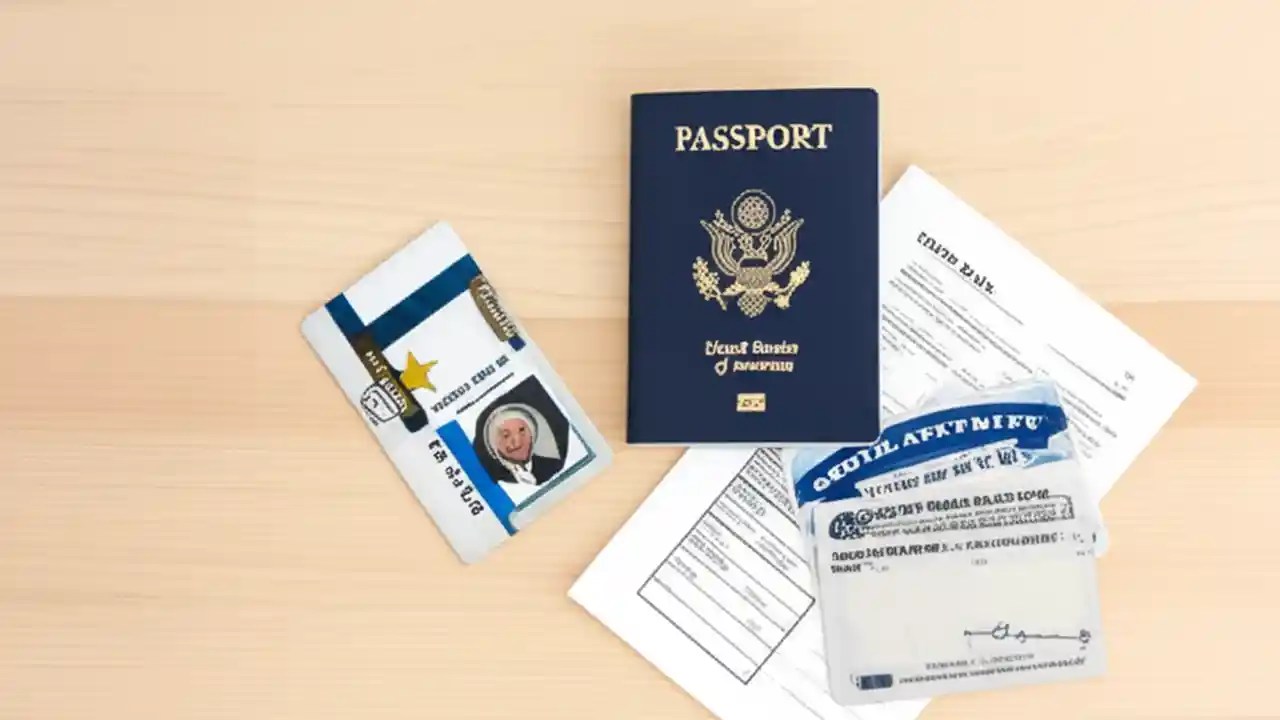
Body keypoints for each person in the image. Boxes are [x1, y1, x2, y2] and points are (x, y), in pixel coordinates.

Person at [481, 403, 564, 485]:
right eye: (506, 436)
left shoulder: (553, 466)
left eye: (522, 430)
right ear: (493, 445)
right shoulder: (494, 480)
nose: (517, 441)